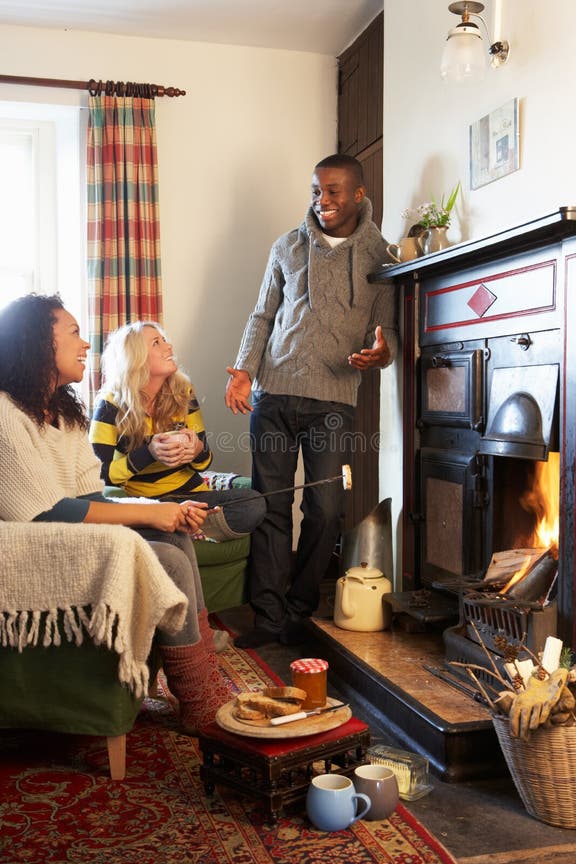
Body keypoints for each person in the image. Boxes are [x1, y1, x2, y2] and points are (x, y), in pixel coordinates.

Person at [0, 293, 231, 733]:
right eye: (73, 333)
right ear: (36, 344)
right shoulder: (5, 413)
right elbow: (46, 514)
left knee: (176, 537)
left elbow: (93, 495)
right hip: (30, 552)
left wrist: (164, 511)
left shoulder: (63, 415)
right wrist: (150, 512)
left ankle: (198, 678)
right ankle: (200, 695)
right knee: (168, 558)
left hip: (70, 536)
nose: (86, 344)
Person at [225, 153, 398, 649]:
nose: (322, 201)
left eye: (333, 192)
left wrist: (381, 354)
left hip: (334, 400)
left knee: (326, 508)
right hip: (274, 393)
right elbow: (262, 316)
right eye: (316, 191)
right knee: (270, 506)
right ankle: (269, 617)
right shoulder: (286, 246)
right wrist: (243, 372)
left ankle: (300, 608)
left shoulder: (379, 257)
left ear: (358, 195)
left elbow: (382, 334)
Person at [89, 320, 266, 542]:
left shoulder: (183, 392)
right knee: (138, 520)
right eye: (156, 343)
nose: (168, 347)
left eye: (164, 340)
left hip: (193, 496)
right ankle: (187, 527)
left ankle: (181, 526)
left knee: (253, 503)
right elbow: (100, 476)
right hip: (147, 505)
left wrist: (197, 450)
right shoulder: (110, 406)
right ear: (135, 357)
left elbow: (203, 463)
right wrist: (150, 453)